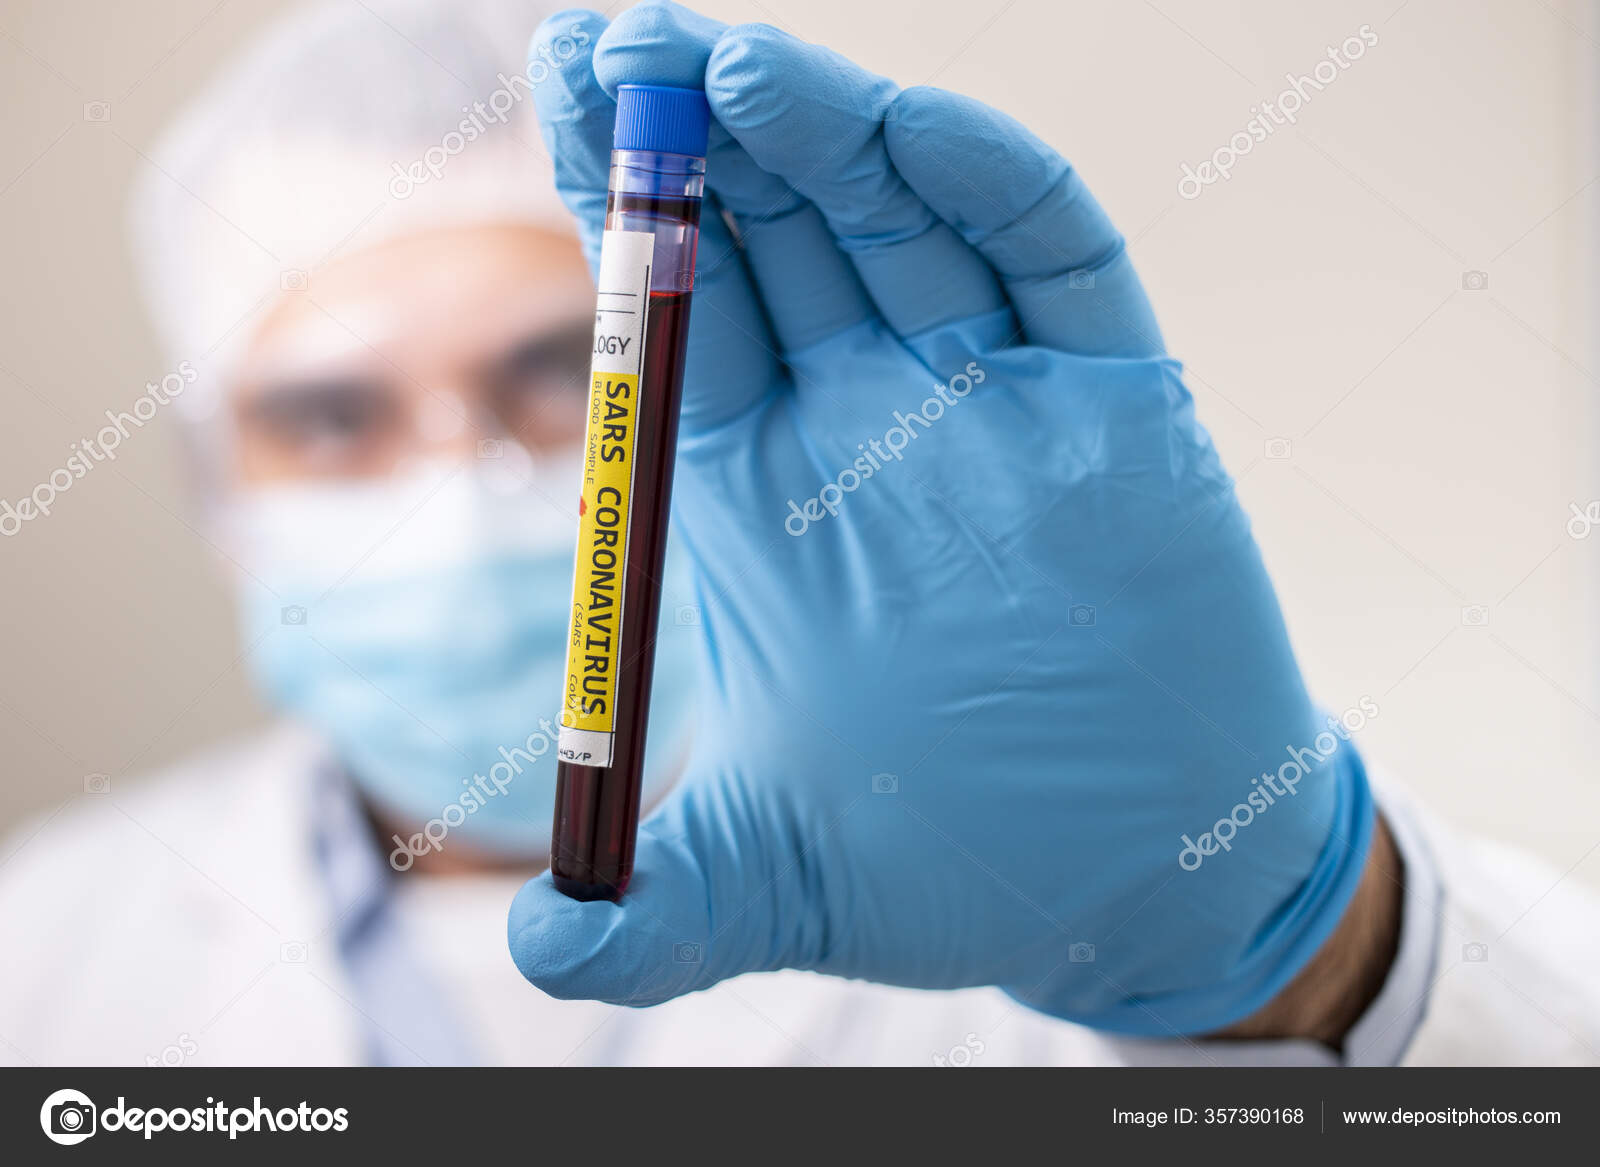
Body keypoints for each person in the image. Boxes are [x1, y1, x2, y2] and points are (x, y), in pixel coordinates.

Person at [1, 0, 1596, 1067]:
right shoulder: (42, 951)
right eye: (333, 419)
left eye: (556, 378)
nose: (461, 482)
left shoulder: (1048, 821)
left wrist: (1309, 959)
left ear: (679, 377)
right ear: (218, 493)